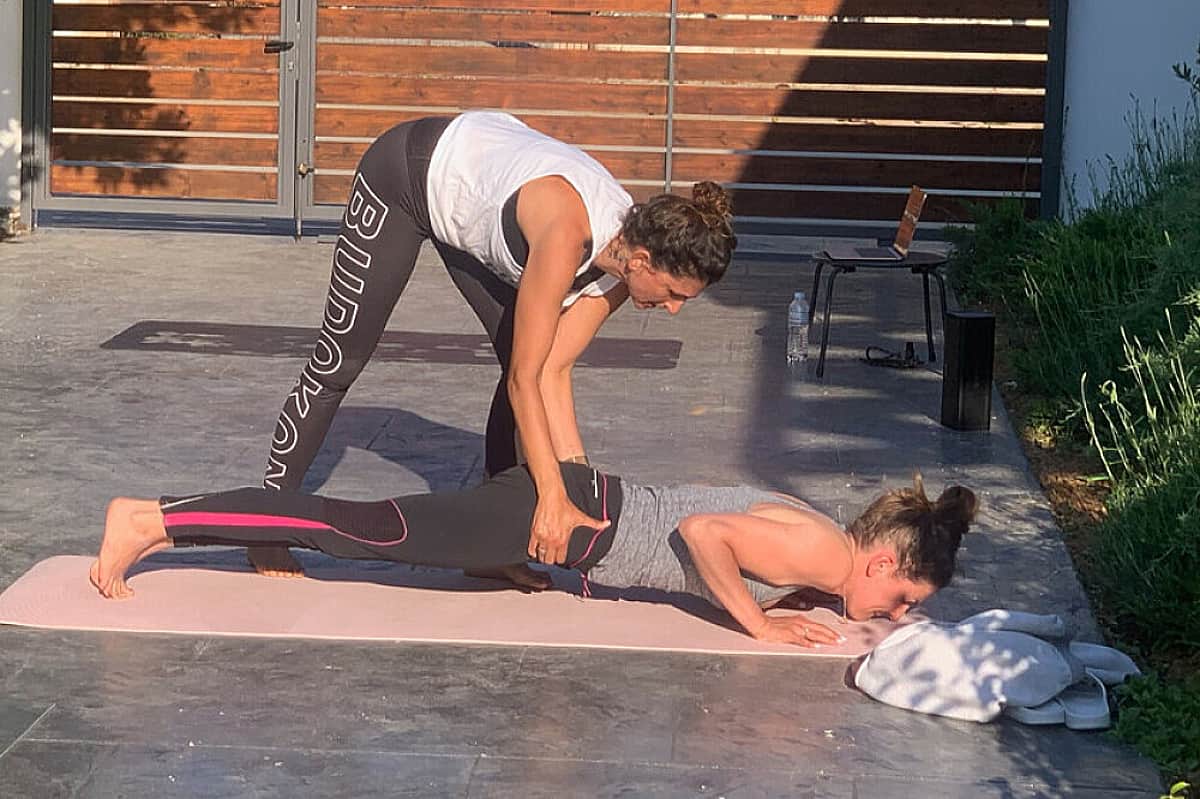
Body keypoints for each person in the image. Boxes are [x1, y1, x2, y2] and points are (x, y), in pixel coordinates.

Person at [253, 111, 737, 586]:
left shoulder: (621, 268)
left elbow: (553, 371)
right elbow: (525, 382)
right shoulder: (567, 236)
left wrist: (580, 494)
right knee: (342, 359)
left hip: (480, 200)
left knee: (525, 355)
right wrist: (550, 497)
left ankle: (489, 548)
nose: (673, 310)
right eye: (674, 294)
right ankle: (263, 525)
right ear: (643, 260)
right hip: (406, 175)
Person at [88, 464, 977, 647]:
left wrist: (778, 604)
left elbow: (718, 527)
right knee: (353, 528)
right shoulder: (821, 546)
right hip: (553, 518)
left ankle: (166, 518)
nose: (896, 612)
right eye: (904, 599)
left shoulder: (821, 550)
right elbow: (706, 535)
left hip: (561, 522)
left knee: (362, 529)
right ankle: (153, 518)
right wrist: (756, 626)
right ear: (884, 563)